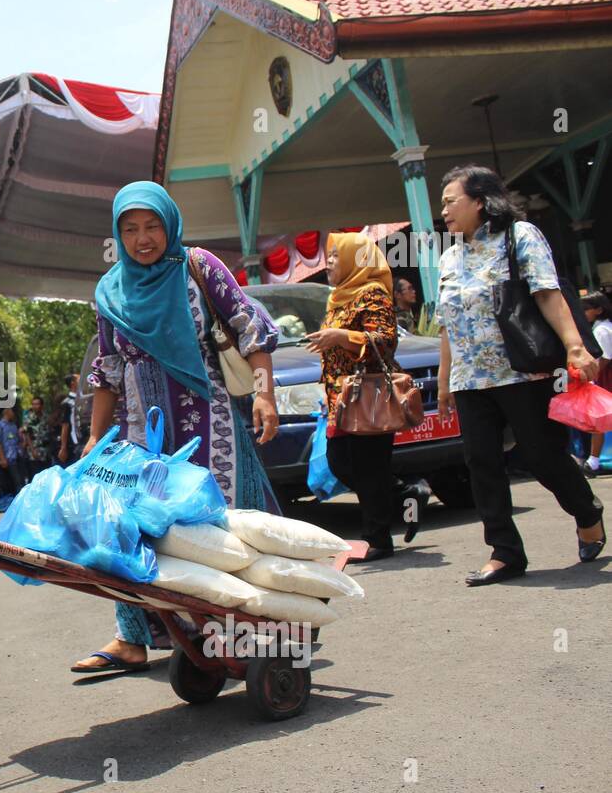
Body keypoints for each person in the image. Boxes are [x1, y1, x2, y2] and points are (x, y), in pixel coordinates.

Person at [72, 181, 281, 673]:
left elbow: (251, 327)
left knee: (215, 525)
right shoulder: (110, 292)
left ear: (169, 225)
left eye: (152, 226)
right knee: (138, 528)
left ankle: (246, 627)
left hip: (211, 425)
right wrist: (93, 438)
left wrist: (266, 393)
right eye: (130, 229)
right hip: (141, 434)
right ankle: (135, 637)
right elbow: (108, 369)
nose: (143, 238)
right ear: (117, 235)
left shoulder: (199, 266)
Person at [436, 164, 604, 586]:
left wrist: (574, 346)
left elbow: (546, 293)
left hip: (522, 373)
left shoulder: (519, 237)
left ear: (480, 200)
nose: (444, 212)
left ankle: (587, 512)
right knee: (482, 464)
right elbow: (446, 324)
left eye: (451, 201)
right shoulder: (449, 257)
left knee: (542, 456)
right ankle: (505, 552)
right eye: (442, 204)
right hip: (471, 380)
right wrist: (444, 380)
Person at [306, 233, 430, 561]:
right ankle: (407, 493)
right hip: (340, 398)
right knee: (341, 464)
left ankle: (377, 539)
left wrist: (341, 336)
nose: (329, 262)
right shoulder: (339, 297)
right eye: (329, 256)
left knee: (369, 467)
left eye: (335, 256)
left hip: (369, 394)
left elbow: (385, 340)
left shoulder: (371, 292)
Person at [580, 292, 612, 476]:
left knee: (598, 422)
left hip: (605, 380)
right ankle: (593, 461)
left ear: (598, 310)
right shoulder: (604, 327)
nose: (583, 313)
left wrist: (591, 378)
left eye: (586, 309)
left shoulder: (601, 330)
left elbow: (605, 358)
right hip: (604, 379)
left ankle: (593, 461)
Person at [0, 406, 24, 493]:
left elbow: (18, 440)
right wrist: (2, 458)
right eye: (12, 411)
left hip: (18, 454)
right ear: (7, 412)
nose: (13, 414)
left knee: (22, 479)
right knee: (16, 481)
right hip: (9, 457)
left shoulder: (13, 425)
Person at [21, 395, 52, 476]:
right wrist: (33, 450)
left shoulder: (46, 417)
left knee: (47, 474)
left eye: (37, 404)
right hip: (34, 450)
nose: (35, 406)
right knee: (36, 475)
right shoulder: (28, 418)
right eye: (33, 404)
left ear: (42, 405)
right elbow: (27, 435)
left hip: (46, 450)